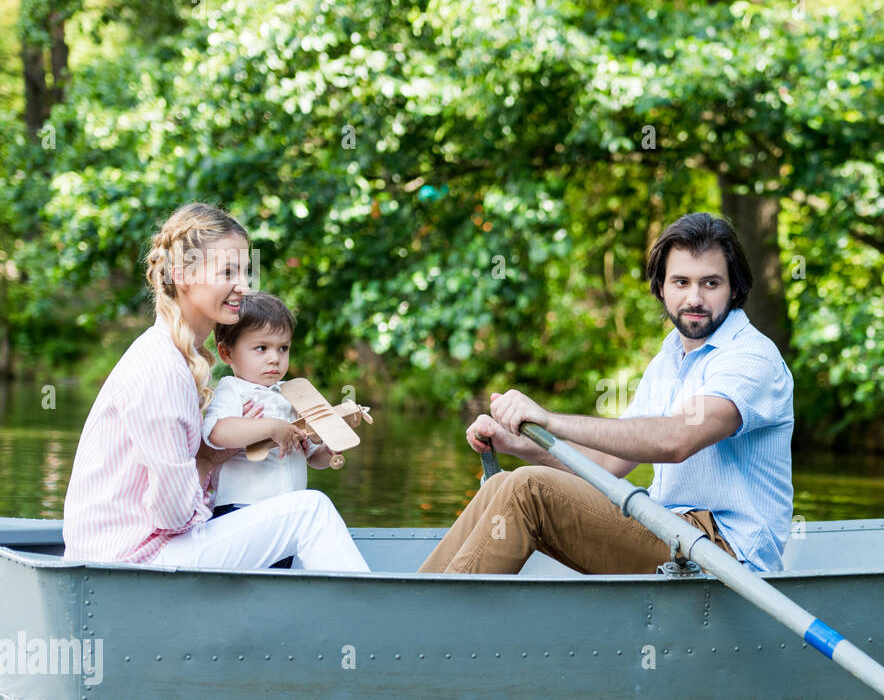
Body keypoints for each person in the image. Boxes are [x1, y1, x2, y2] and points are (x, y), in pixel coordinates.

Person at [419, 211, 794, 575]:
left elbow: (678, 439)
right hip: (671, 529)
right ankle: (418, 607)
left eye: (710, 283)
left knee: (527, 489)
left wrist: (551, 420)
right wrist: (518, 444)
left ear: (734, 290)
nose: (694, 298)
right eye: (681, 282)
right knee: (504, 482)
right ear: (661, 288)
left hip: (725, 555)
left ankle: (433, 626)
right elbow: (604, 466)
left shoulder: (752, 357)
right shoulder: (669, 360)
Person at [61, 202, 369, 572]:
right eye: (227, 271)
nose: (243, 285)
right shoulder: (163, 369)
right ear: (185, 275)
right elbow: (173, 516)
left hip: (137, 553)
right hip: (130, 560)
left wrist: (218, 453)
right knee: (310, 510)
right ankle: (375, 621)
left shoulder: (172, 354)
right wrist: (208, 459)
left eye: (244, 271)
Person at [203, 292, 338, 516]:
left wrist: (331, 448)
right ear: (227, 353)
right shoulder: (232, 390)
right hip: (240, 508)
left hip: (288, 511)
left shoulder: (292, 394)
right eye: (262, 348)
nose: (274, 358)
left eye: (283, 348)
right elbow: (217, 432)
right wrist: (271, 428)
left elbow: (315, 458)